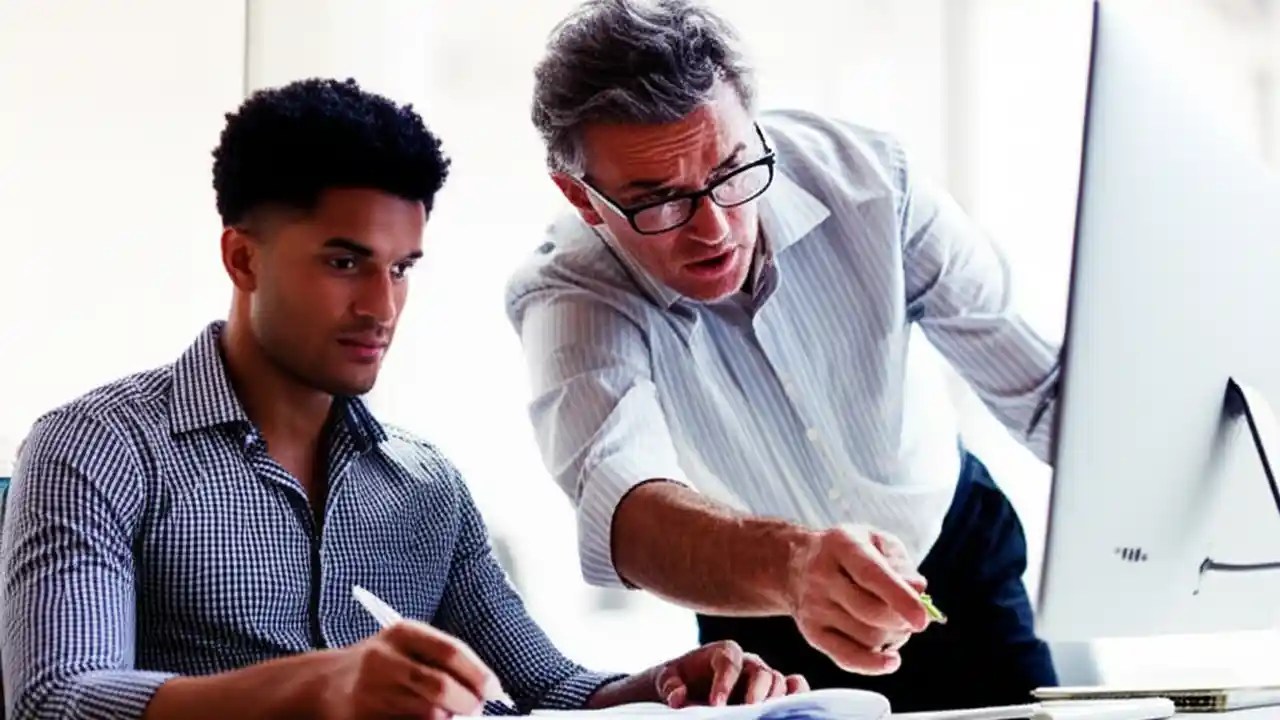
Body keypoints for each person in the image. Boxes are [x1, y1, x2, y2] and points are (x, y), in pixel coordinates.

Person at [0, 77, 809, 720]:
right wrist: (323, 689)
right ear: (241, 259)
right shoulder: (95, 449)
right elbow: (58, 699)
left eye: (402, 267)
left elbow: (546, 693)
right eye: (345, 263)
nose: (381, 308)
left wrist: (674, 687)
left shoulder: (424, 486)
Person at [505, 0, 1062, 712]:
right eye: (659, 201)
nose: (713, 228)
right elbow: (627, 510)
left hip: (953, 550)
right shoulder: (568, 290)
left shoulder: (871, 179)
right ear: (581, 198)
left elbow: (1045, 391)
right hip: (759, 601)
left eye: (733, 170)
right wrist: (796, 567)